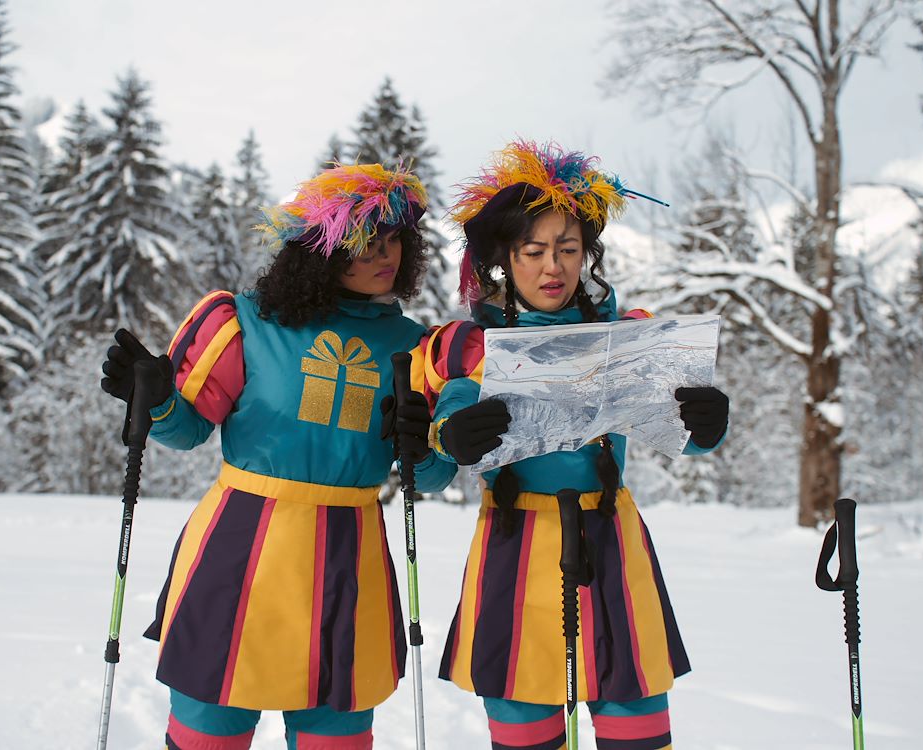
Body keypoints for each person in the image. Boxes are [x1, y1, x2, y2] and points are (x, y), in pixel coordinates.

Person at [100, 163, 451, 750]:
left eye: (394, 240)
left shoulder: (415, 347)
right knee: (208, 732)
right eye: (366, 242)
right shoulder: (244, 322)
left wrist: (423, 447)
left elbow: (433, 475)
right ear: (319, 249)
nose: (385, 254)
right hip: (239, 549)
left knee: (334, 734)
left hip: (351, 554)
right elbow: (186, 431)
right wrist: (156, 396)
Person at [419, 141, 729, 749]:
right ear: (508, 259)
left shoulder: (631, 338)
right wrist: (449, 434)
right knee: (525, 727)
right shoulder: (474, 347)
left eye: (567, 248)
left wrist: (705, 425)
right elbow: (449, 422)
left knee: (636, 725)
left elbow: (679, 432)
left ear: (588, 253)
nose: (552, 266)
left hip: (612, 541)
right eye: (534, 251)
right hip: (515, 544)